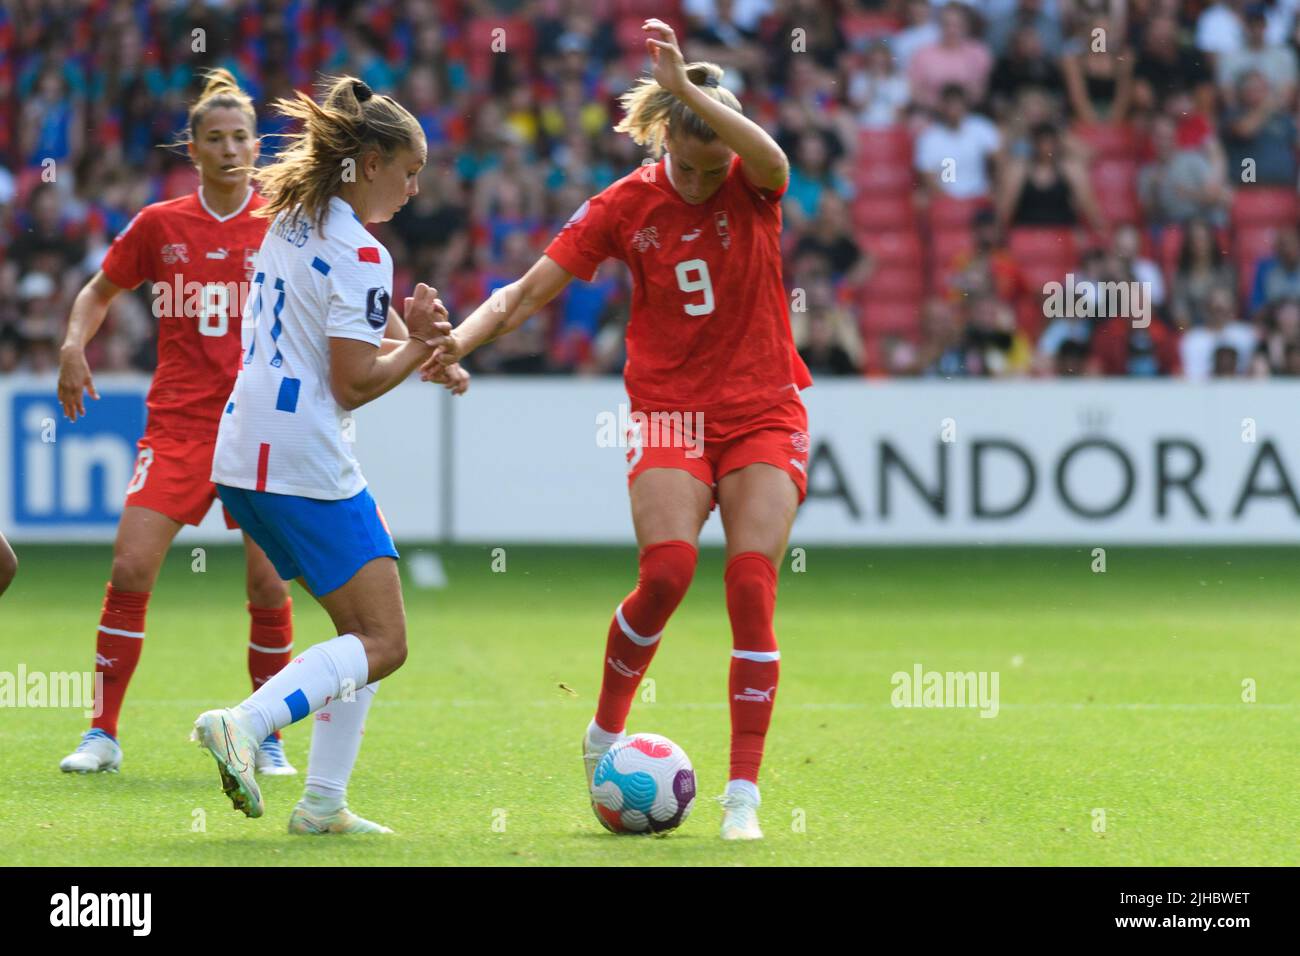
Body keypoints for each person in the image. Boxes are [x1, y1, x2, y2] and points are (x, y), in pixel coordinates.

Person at [425, 19, 811, 841]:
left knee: (750, 586)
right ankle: (605, 729)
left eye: (718, 166)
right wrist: (455, 342)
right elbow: (527, 293)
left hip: (764, 408)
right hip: (670, 410)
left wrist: (688, 90)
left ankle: (743, 794)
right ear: (664, 139)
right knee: (667, 571)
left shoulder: (752, 178)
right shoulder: (625, 205)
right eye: (692, 163)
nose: (707, 181)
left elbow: (775, 159)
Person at [190, 75, 468, 834]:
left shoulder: (292, 216)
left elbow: (330, 335)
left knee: (361, 633)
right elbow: (351, 382)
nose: (415, 188)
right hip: (303, 452)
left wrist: (415, 346)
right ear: (370, 161)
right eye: (409, 172)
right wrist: (415, 345)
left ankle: (322, 805)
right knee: (385, 640)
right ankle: (246, 725)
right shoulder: (363, 251)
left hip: (247, 448)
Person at [55, 70, 300, 776]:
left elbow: (345, 298)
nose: (229, 149)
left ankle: (269, 736)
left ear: (258, 146)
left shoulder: (285, 226)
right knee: (130, 565)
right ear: (191, 150)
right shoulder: (160, 225)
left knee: (267, 587)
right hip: (179, 427)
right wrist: (73, 345)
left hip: (259, 430)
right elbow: (99, 289)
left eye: (240, 138)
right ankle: (101, 733)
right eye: (214, 139)